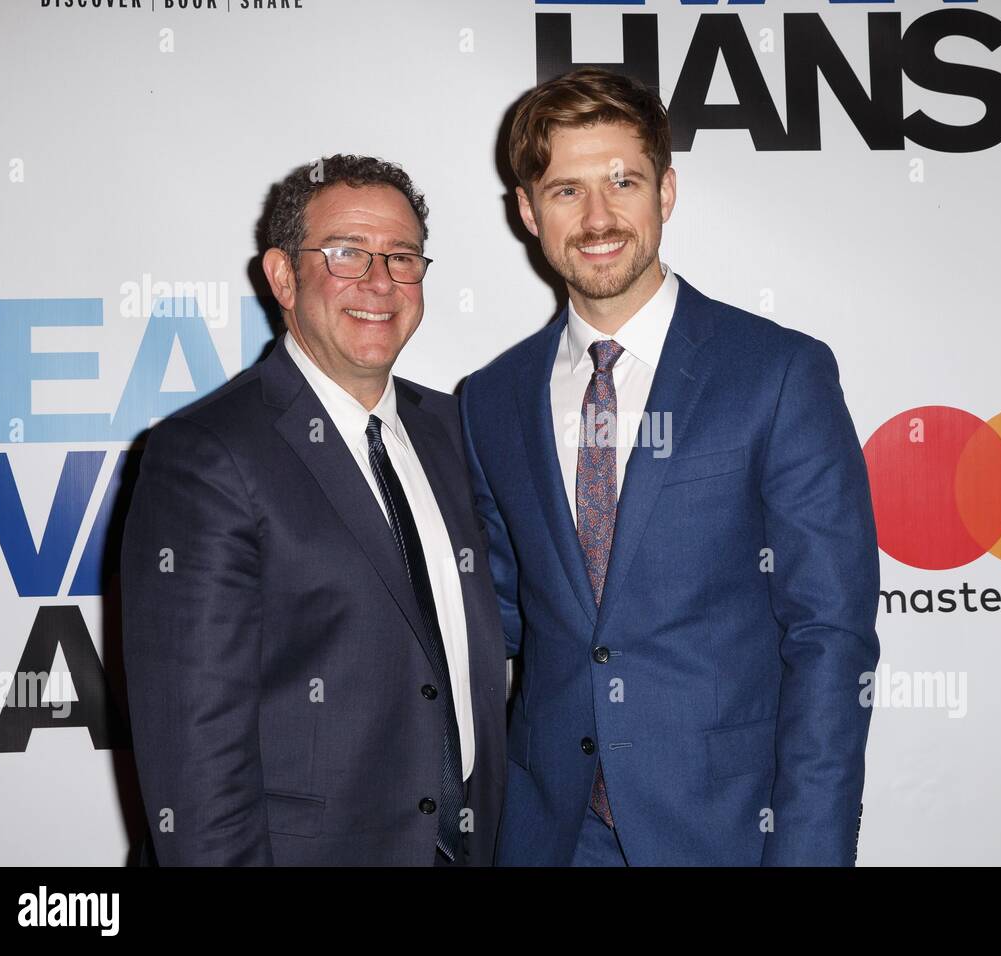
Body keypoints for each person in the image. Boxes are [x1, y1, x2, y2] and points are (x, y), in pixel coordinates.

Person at [461, 68, 880, 866]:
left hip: (724, 832)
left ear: (668, 191)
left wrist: (810, 854)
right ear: (526, 211)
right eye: (565, 191)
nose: (598, 218)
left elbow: (831, 637)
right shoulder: (491, 400)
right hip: (548, 837)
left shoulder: (776, 372)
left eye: (624, 181)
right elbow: (495, 621)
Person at [122, 154, 505, 865]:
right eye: (346, 254)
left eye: (401, 257)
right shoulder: (203, 456)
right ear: (281, 276)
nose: (379, 282)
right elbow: (194, 752)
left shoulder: (458, 433)